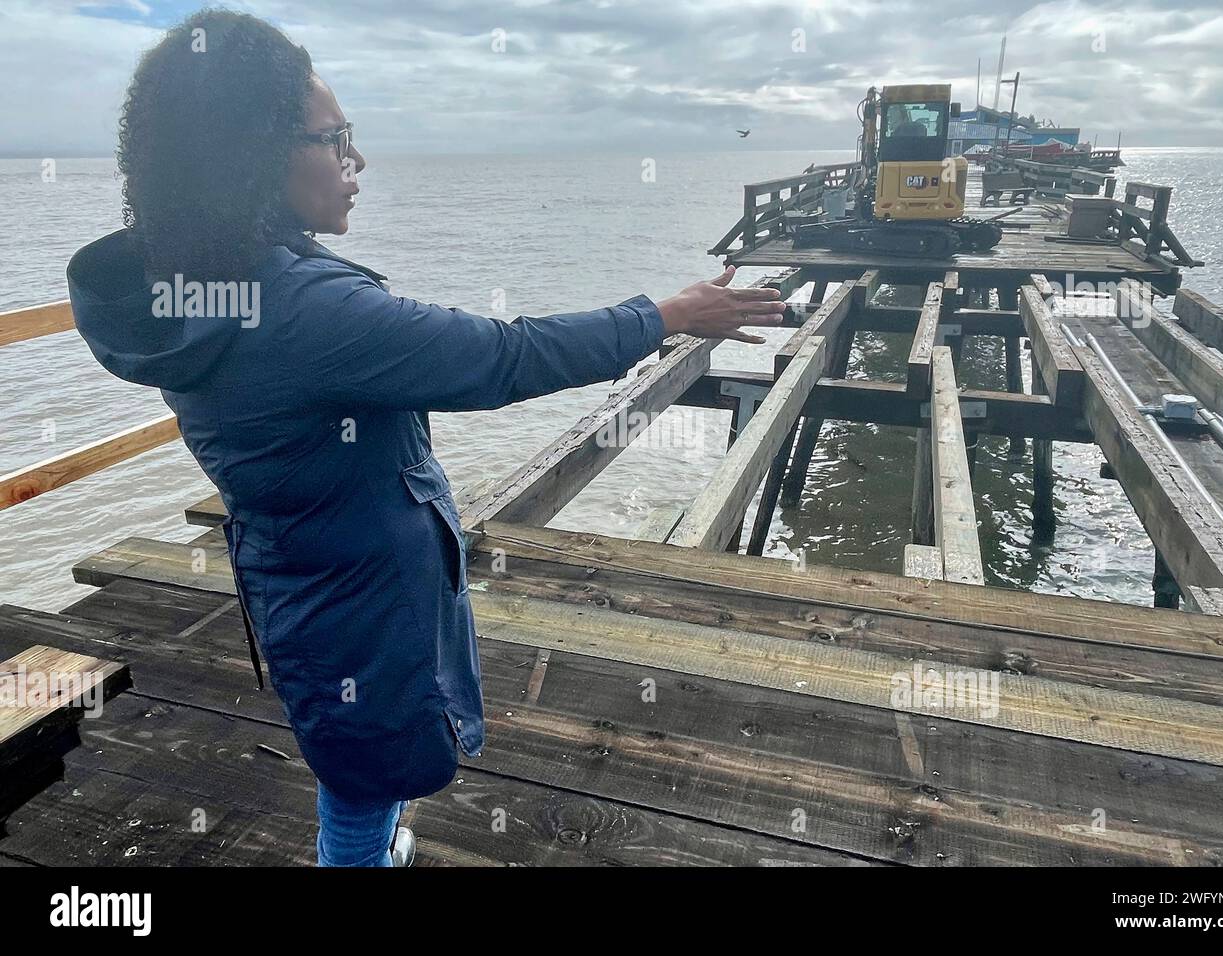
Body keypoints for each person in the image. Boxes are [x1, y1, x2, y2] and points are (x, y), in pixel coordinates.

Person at [66, 9, 785, 866]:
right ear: (253, 155)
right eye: (335, 139)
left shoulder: (193, 281)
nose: (355, 161)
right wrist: (665, 314)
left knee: (356, 751)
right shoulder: (303, 307)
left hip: (301, 571)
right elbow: (502, 357)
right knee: (372, 764)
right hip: (361, 593)